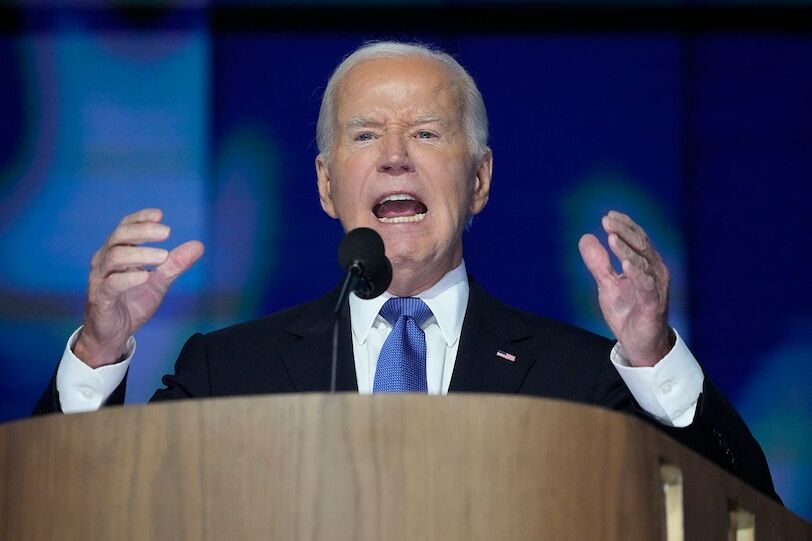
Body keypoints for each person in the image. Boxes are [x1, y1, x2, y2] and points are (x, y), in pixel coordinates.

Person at [34, 41, 778, 500]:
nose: (395, 154)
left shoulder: (581, 381)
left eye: (426, 132)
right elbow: (72, 506)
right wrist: (98, 353)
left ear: (480, 180)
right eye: (366, 134)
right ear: (326, 186)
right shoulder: (229, 370)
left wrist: (652, 356)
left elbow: (744, 510)